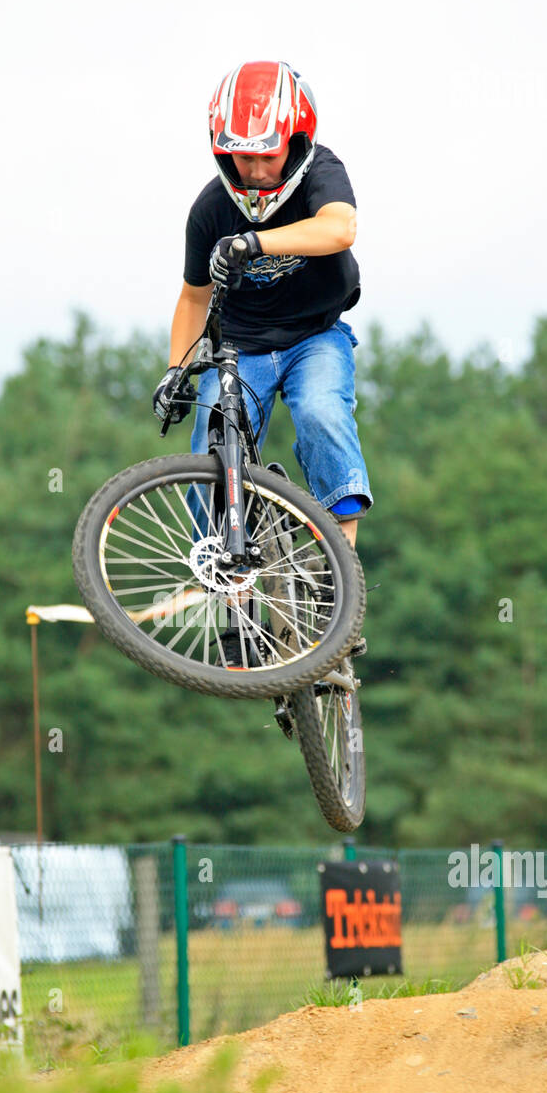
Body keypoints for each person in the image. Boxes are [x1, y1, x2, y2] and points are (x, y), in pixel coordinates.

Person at [153, 58, 370, 658]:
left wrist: (257, 241)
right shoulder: (210, 210)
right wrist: (175, 370)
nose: (252, 169)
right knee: (210, 445)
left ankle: (340, 579)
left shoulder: (321, 173)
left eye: (265, 156)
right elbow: (194, 297)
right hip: (239, 350)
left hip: (313, 336)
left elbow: (340, 229)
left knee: (323, 413)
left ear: (295, 141)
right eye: (240, 157)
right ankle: (231, 597)